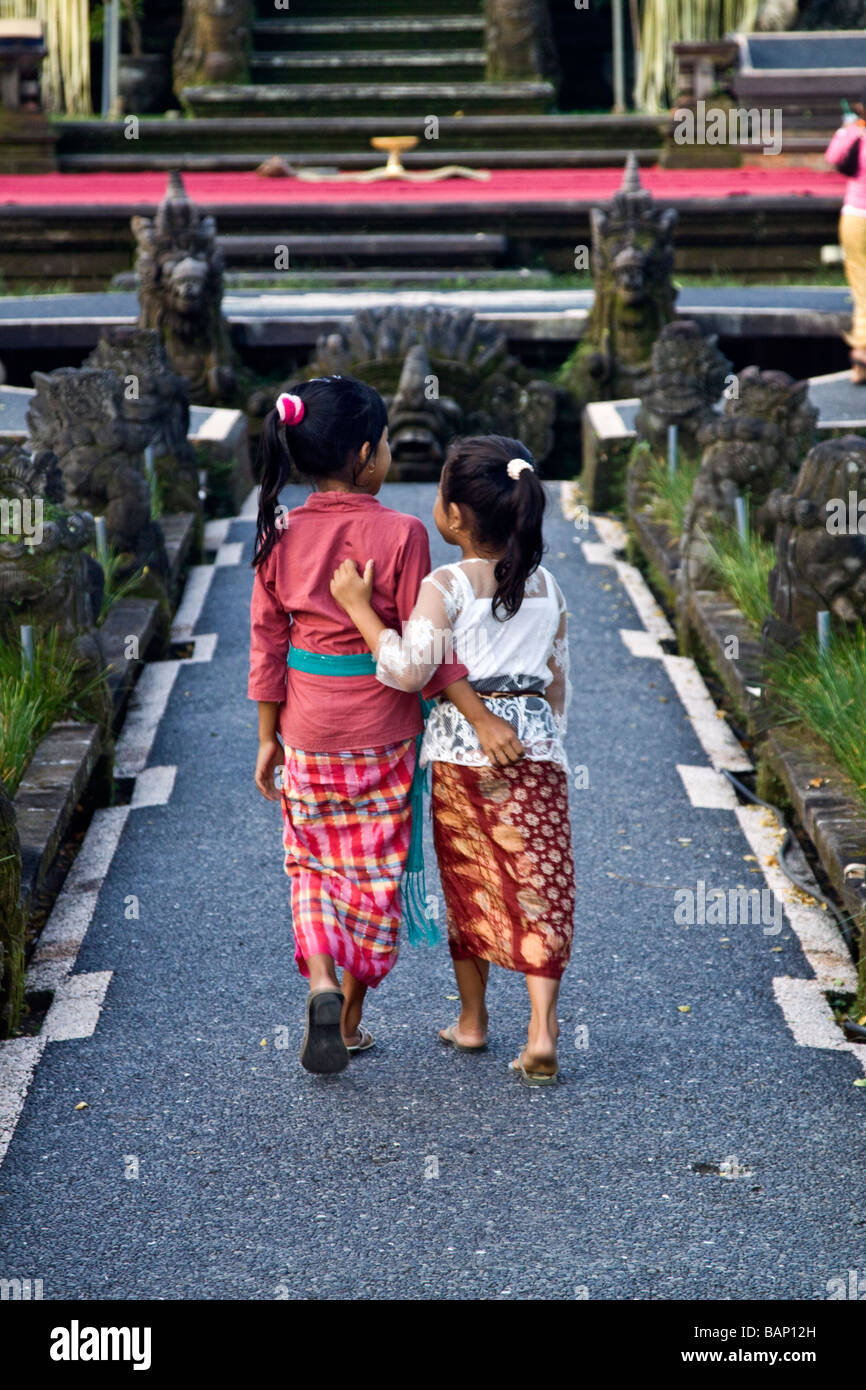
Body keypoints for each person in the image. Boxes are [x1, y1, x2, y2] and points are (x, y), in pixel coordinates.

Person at [249, 377, 494, 1075]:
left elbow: (267, 643)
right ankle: (349, 1015)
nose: (388, 452)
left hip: (306, 729)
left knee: (311, 864)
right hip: (384, 732)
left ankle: (322, 981)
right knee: (372, 875)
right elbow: (426, 649)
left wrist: (268, 736)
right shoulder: (403, 533)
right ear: (365, 455)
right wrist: (473, 713)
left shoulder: (282, 531)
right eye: (385, 443)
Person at [330, 435, 576, 1085]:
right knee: (540, 889)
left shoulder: (447, 585)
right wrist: (550, 740)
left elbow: (413, 671)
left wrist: (359, 608)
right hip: (538, 753)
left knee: (473, 887)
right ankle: (543, 1030)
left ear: (456, 517)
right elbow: (557, 680)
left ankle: (473, 1021)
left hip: (461, 759)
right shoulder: (547, 585)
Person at [826, 95, 866, 384]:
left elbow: (833, 158)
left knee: (862, 282)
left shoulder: (855, 134)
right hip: (856, 216)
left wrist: (846, 130)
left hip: (856, 216)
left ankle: (862, 350)